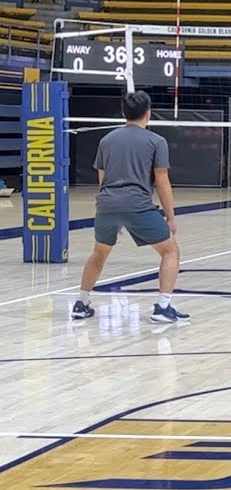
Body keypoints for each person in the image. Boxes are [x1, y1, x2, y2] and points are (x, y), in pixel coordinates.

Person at [71, 91, 188, 324]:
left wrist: (112, 214)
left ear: (124, 114)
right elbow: (162, 182)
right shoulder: (156, 141)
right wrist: (170, 218)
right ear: (148, 113)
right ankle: (163, 307)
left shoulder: (106, 140)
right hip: (138, 204)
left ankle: (81, 303)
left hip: (106, 205)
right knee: (171, 251)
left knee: (99, 253)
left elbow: (102, 180)